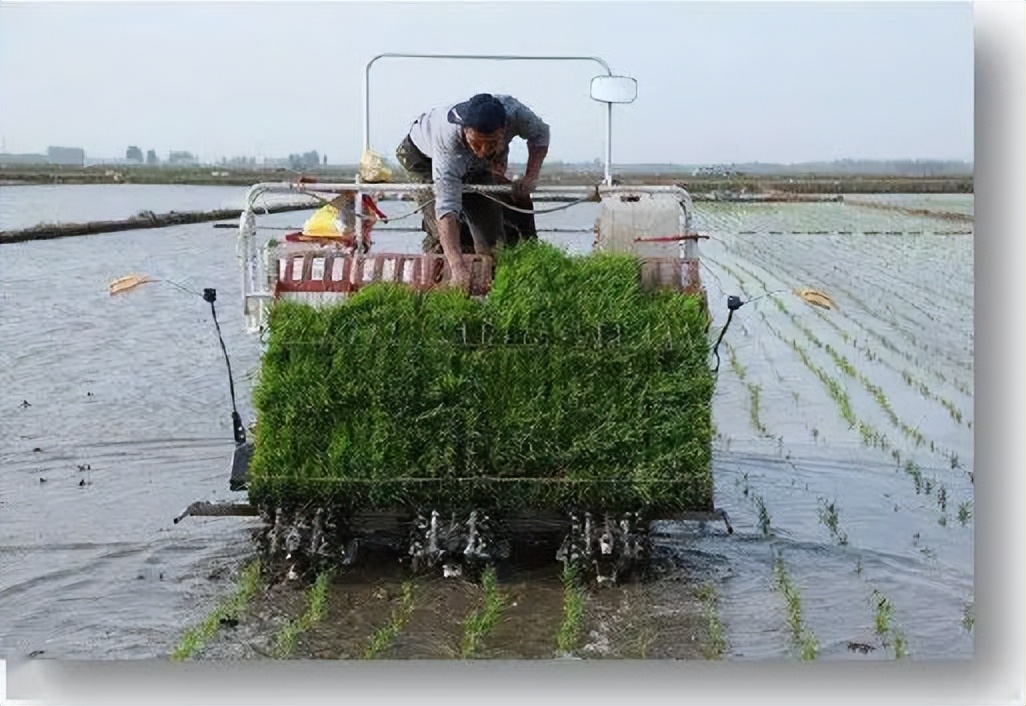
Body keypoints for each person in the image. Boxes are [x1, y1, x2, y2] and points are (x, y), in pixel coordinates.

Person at [394, 93, 550, 288]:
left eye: (491, 143)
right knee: (440, 227)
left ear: (504, 130)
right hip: (422, 157)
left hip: (476, 164)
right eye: (477, 143)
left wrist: (531, 176)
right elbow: (447, 208)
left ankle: (494, 285)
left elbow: (541, 133)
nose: (483, 150)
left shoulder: (516, 113)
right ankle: (441, 284)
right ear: (466, 131)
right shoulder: (447, 144)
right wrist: (458, 266)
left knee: (490, 230)